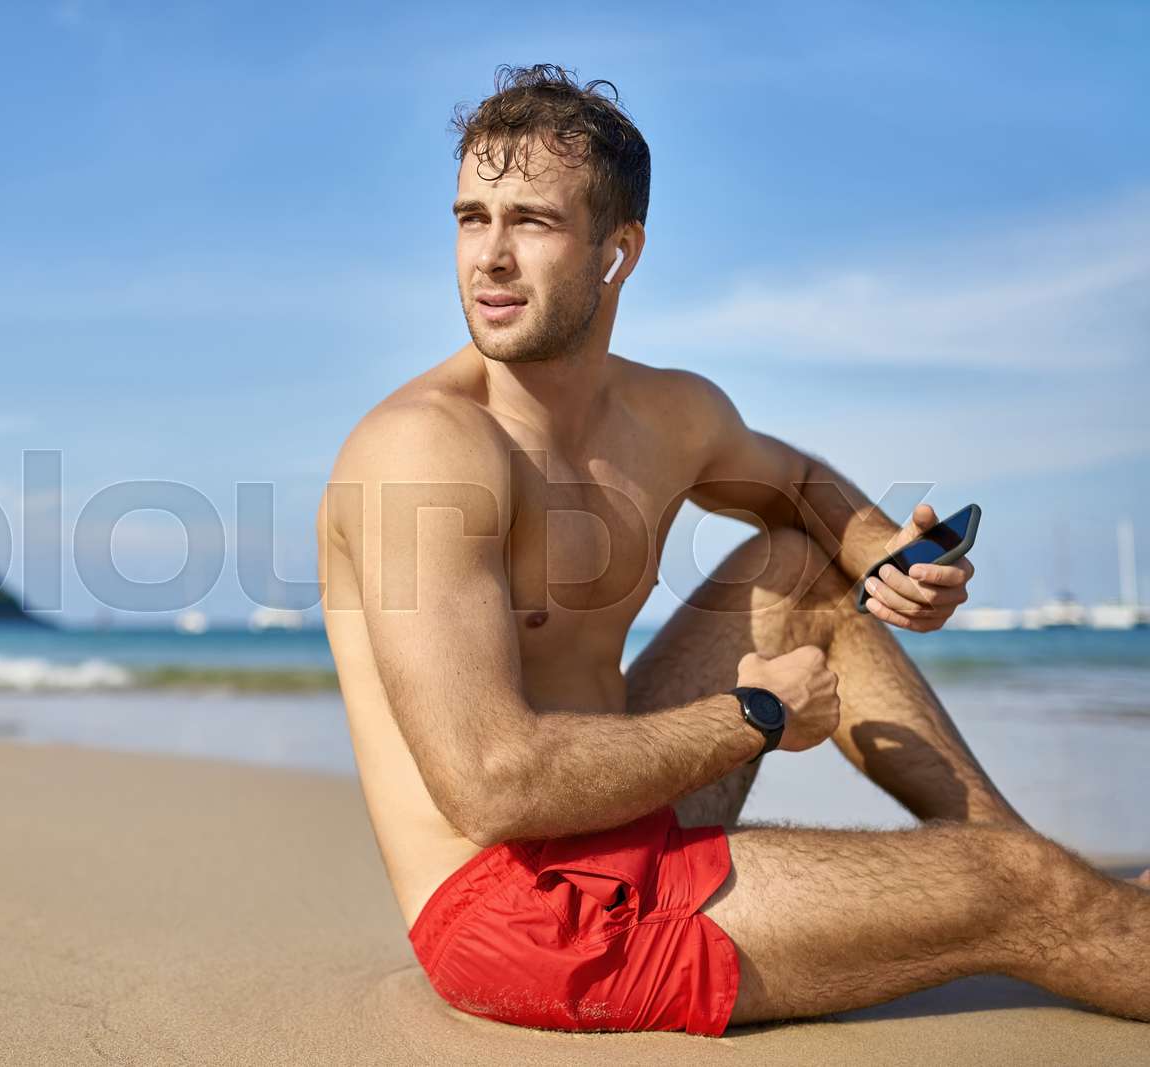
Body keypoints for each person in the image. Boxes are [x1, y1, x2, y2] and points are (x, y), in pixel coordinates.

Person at [316, 63, 1150, 1036]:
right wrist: (754, 713)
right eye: (470, 217)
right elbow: (491, 781)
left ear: (615, 252)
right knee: (1026, 887)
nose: (488, 256)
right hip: (527, 917)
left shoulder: (667, 412)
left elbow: (794, 483)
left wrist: (888, 554)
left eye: (530, 221)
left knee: (797, 568)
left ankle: (1052, 895)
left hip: (626, 818)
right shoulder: (423, 449)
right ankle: (1050, 898)